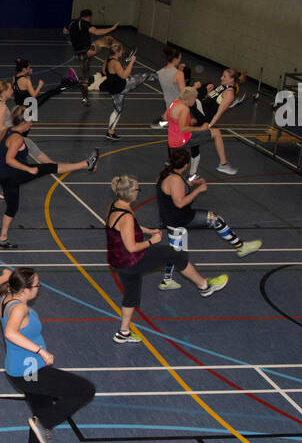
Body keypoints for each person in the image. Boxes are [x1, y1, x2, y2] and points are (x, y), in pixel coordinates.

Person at [0, 267, 95, 443]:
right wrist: (40, 351)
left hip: (19, 369)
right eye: (36, 285)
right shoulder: (19, 308)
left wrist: (4, 277)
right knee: (85, 390)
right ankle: (45, 423)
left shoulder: (5, 298)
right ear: (25, 290)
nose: (39, 288)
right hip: (31, 372)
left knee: (41, 408)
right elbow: (10, 332)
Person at [106, 174, 228, 343]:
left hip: (117, 260)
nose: (139, 192)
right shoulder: (126, 215)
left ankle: (123, 333)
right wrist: (151, 241)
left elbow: (126, 228)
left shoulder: (115, 206)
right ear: (130, 193)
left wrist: (148, 230)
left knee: (131, 293)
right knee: (175, 254)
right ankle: (204, 285)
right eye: (137, 189)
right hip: (131, 260)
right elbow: (132, 246)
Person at [156, 146, 261, 291]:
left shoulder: (167, 175)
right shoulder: (175, 180)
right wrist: (198, 190)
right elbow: (179, 203)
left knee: (176, 251)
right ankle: (241, 246)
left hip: (170, 218)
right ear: (186, 165)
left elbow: (173, 191)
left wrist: (189, 184)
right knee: (215, 219)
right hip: (181, 217)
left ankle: (167, 280)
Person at [0, 112, 98, 249]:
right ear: (23, 123)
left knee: (12, 208)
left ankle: (2, 240)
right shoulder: (17, 139)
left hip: (1, 174)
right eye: (30, 122)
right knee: (50, 168)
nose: (31, 124)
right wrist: (28, 169)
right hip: (13, 175)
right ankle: (87, 164)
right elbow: (9, 160)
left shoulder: (6, 130)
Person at [99, 40, 154, 141]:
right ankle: (162, 76)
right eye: (122, 51)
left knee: (118, 110)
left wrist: (117, 73)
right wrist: (132, 62)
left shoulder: (107, 60)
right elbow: (124, 76)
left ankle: (110, 132)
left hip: (113, 87)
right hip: (122, 86)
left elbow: (104, 71)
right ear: (117, 52)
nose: (123, 52)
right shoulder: (115, 62)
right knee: (144, 75)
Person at [63, 9, 117, 106]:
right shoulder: (84, 23)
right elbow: (96, 32)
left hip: (79, 54)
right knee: (107, 39)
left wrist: (75, 35)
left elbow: (65, 31)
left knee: (85, 78)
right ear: (88, 17)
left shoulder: (71, 22)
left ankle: (85, 98)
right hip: (87, 52)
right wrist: (111, 28)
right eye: (90, 18)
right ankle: (117, 54)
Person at [197, 68, 244, 175]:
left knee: (214, 135)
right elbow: (208, 99)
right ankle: (223, 164)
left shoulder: (229, 94)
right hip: (198, 112)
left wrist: (209, 125)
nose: (221, 78)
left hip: (203, 118)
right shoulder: (222, 86)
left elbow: (218, 113)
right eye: (222, 75)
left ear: (232, 80)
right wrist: (207, 92)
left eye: (224, 77)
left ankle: (223, 164)